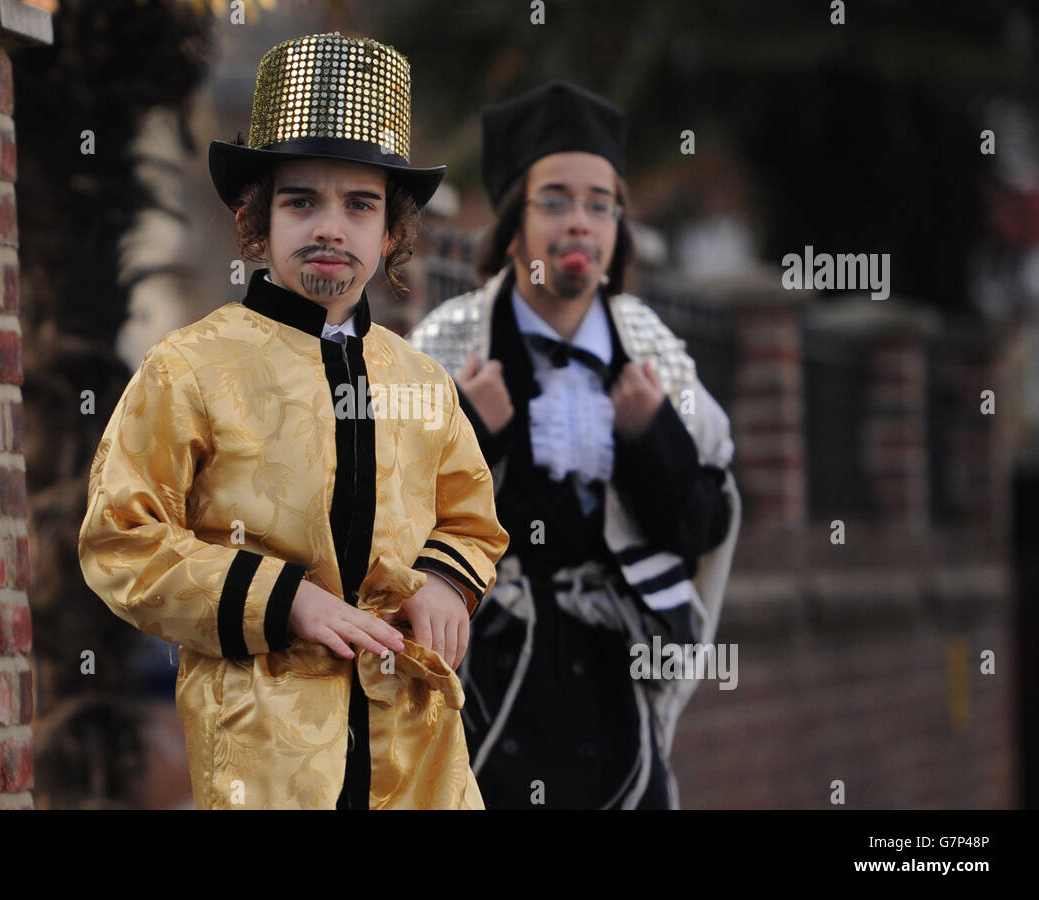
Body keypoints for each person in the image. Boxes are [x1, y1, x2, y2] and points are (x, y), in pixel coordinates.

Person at [77, 32, 509, 810]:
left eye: (360, 204)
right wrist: (285, 602)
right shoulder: (190, 368)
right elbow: (122, 540)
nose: (331, 228)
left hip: (416, 759)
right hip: (262, 754)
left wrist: (446, 581)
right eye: (301, 200)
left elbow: (470, 517)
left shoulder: (422, 381)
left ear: (393, 231)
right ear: (257, 219)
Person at [410, 81, 740, 809]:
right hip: (486, 679)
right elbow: (384, 516)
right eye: (555, 200)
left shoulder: (656, 357)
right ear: (514, 225)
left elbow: (703, 528)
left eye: (600, 204)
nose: (580, 224)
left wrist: (654, 437)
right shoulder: (447, 344)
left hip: (614, 680)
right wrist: (471, 424)